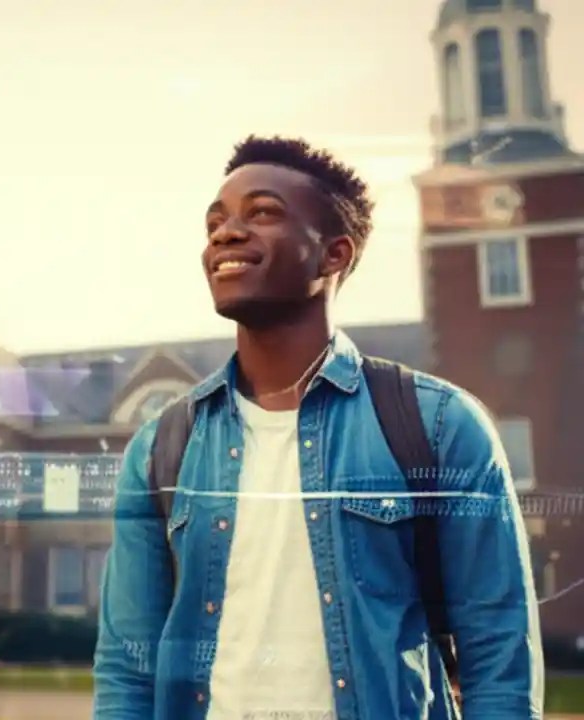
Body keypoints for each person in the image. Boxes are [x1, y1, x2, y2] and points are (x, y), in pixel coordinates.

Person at [92, 135, 543, 719]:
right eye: (216, 222)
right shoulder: (159, 450)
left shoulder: (438, 425)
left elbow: (498, 656)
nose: (226, 233)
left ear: (335, 254)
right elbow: (129, 669)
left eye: (262, 213)